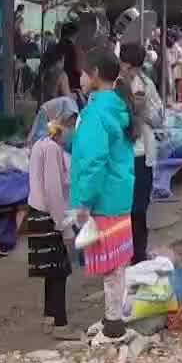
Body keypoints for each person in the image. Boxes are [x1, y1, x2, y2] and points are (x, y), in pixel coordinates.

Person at [69, 51, 136, 343]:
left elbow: (94, 161)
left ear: (94, 73)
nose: (80, 78)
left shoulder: (95, 112)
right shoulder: (115, 107)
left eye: (82, 73)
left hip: (103, 197)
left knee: (110, 267)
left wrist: (83, 201)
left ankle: (114, 325)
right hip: (118, 194)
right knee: (116, 264)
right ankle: (113, 318)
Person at [26, 97, 78, 341]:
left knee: (50, 270)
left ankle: (49, 316)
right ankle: (60, 324)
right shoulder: (52, 149)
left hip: (38, 213)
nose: (72, 128)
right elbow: (54, 192)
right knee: (59, 272)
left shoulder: (40, 145)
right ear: (59, 121)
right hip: (49, 216)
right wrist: (65, 228)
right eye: (70, 122)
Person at [119, 41, 167, 264]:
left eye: (132, 67)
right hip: (120, 156)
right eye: (125, 66)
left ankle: (138, 258)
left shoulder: (146, 85)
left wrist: (144, 111)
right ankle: (122, 257)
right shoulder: (113, 86)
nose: (128, 71)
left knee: (138, 211)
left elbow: (159, 118)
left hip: (141, 155)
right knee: (121, 211)